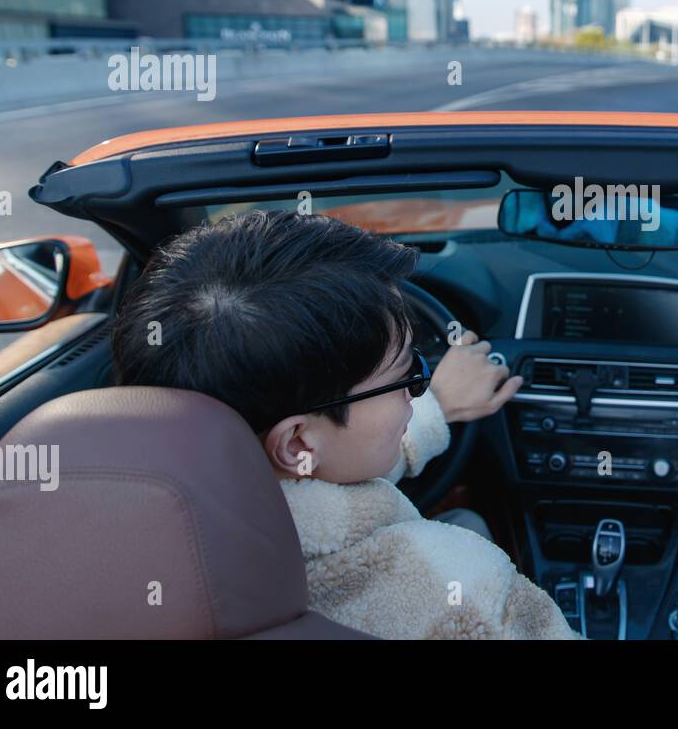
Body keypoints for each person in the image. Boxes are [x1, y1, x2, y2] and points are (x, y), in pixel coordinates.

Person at [111, 209, 577, 639]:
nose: (418, 391)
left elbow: (306, 483)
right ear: (296, 444)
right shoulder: (459, 586)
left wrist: (441, 408)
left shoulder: (99, 541)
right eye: (408, 377)